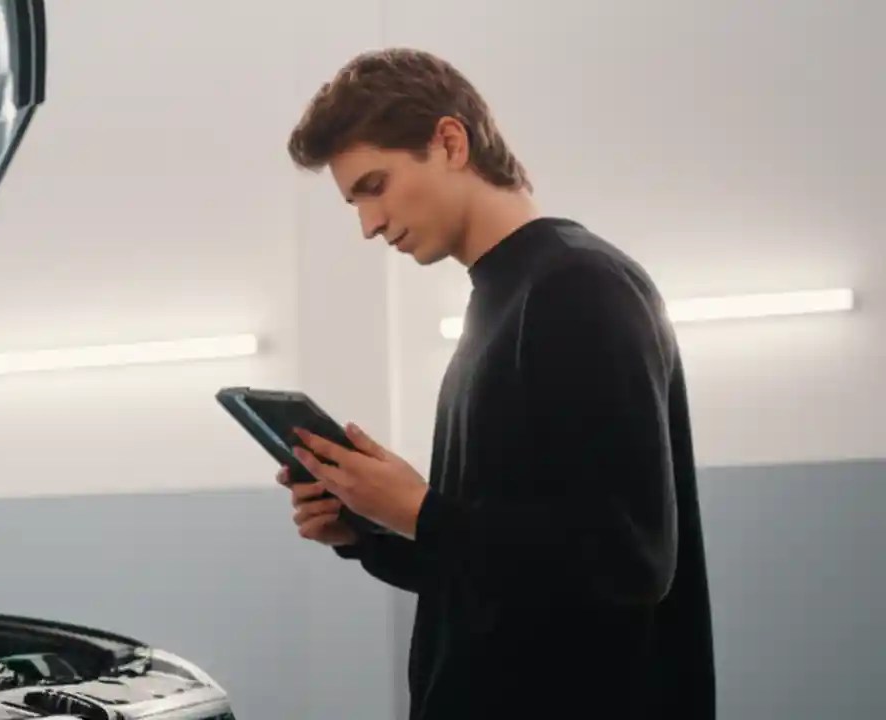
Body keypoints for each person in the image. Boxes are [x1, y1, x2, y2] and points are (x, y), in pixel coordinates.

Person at [278, 48, 716, 719]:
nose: (367, 225)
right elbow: (492, 573)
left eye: (375, 185)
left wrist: (418, 511)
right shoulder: (495, 308)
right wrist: (367, 531)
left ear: (450, 141)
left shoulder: (579, 287)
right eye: (352, 202)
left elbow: (628, 563)